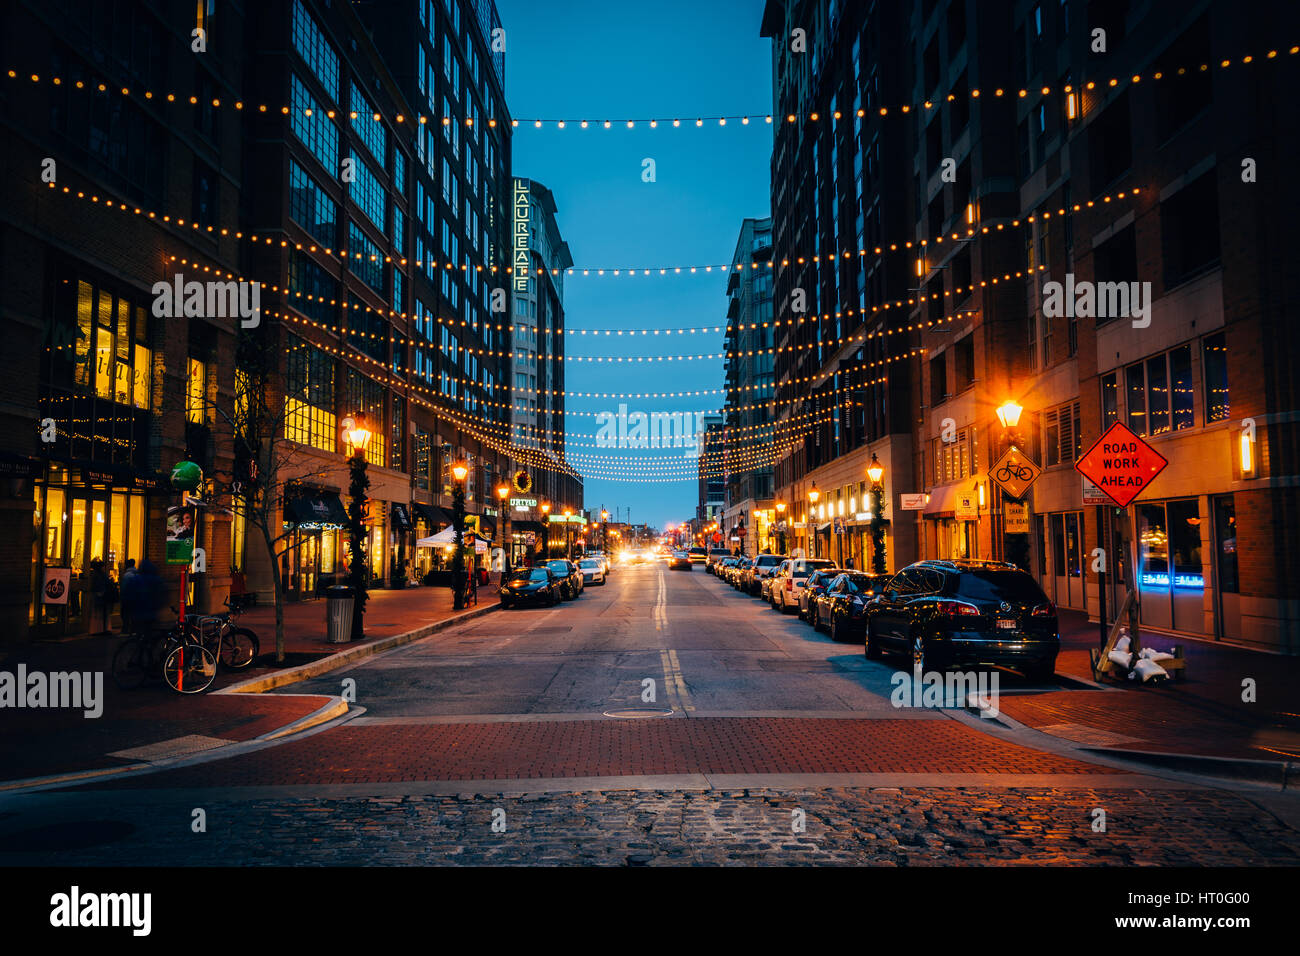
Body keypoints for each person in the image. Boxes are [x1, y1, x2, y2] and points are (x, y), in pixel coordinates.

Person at [121, 559, 166, 634]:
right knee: (149, 632)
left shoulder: (134, 578)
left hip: (138, 612)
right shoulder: (155, 579)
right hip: (152, 613)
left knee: (138, 629)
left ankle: (132, 636)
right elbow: (162, 595)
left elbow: (128, 592)